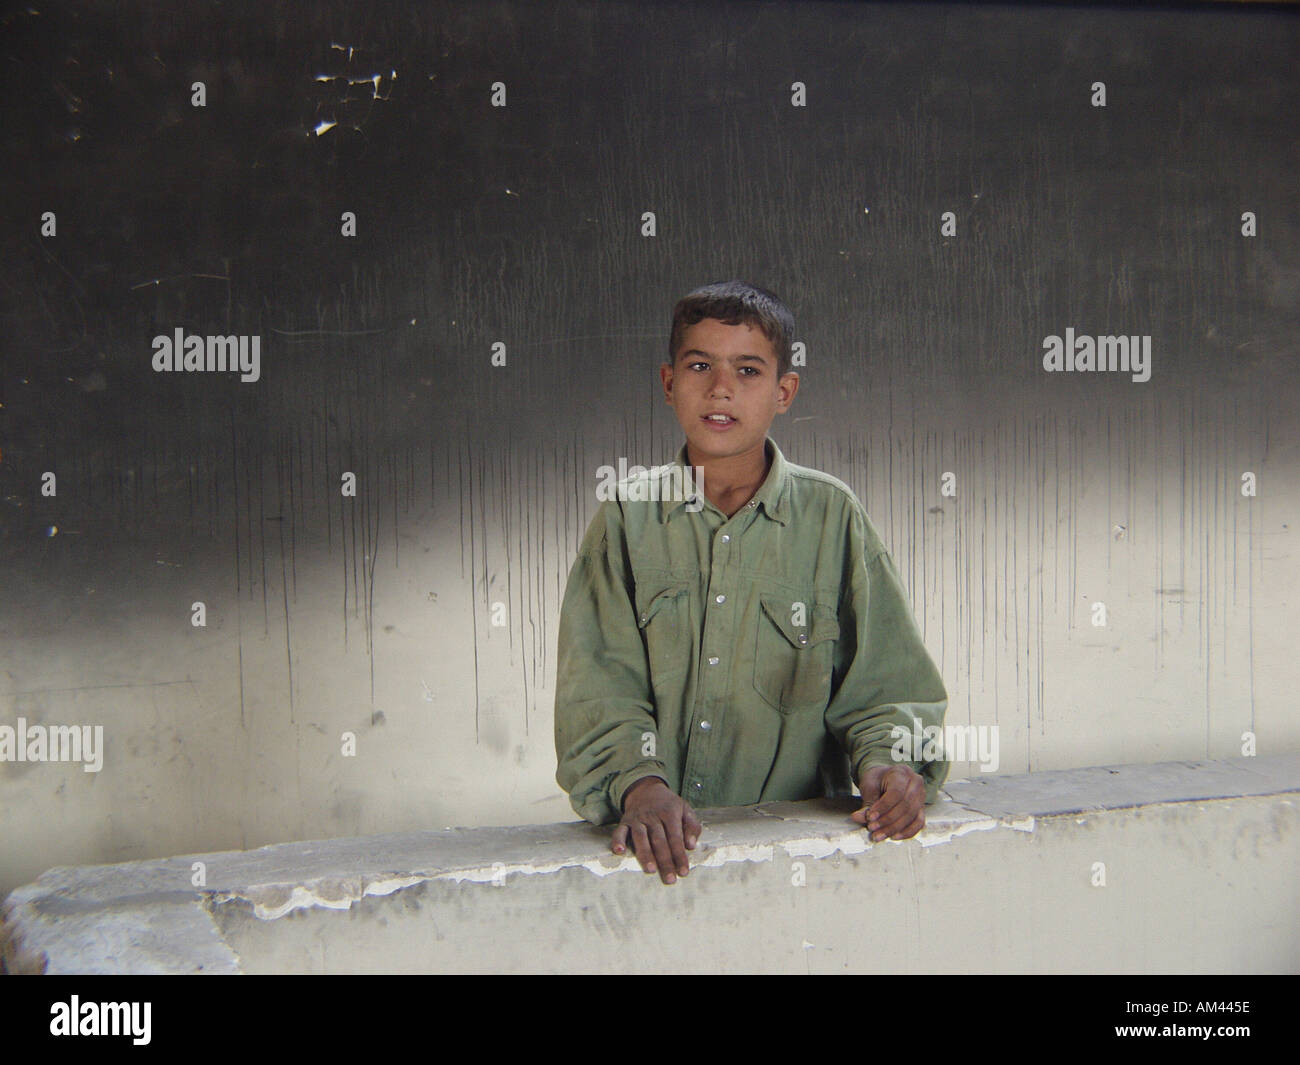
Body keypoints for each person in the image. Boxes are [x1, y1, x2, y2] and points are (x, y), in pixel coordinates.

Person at [554, 280, 949, 885]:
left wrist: (891, 767)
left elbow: (884, 687)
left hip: (801, 861)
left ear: (784, 391)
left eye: (748, 369)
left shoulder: (833, 518)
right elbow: (599, 687)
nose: (721, 388)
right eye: (699, 365)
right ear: (668, 383)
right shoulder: (627, 517)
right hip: (648, 860)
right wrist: (640, 786)